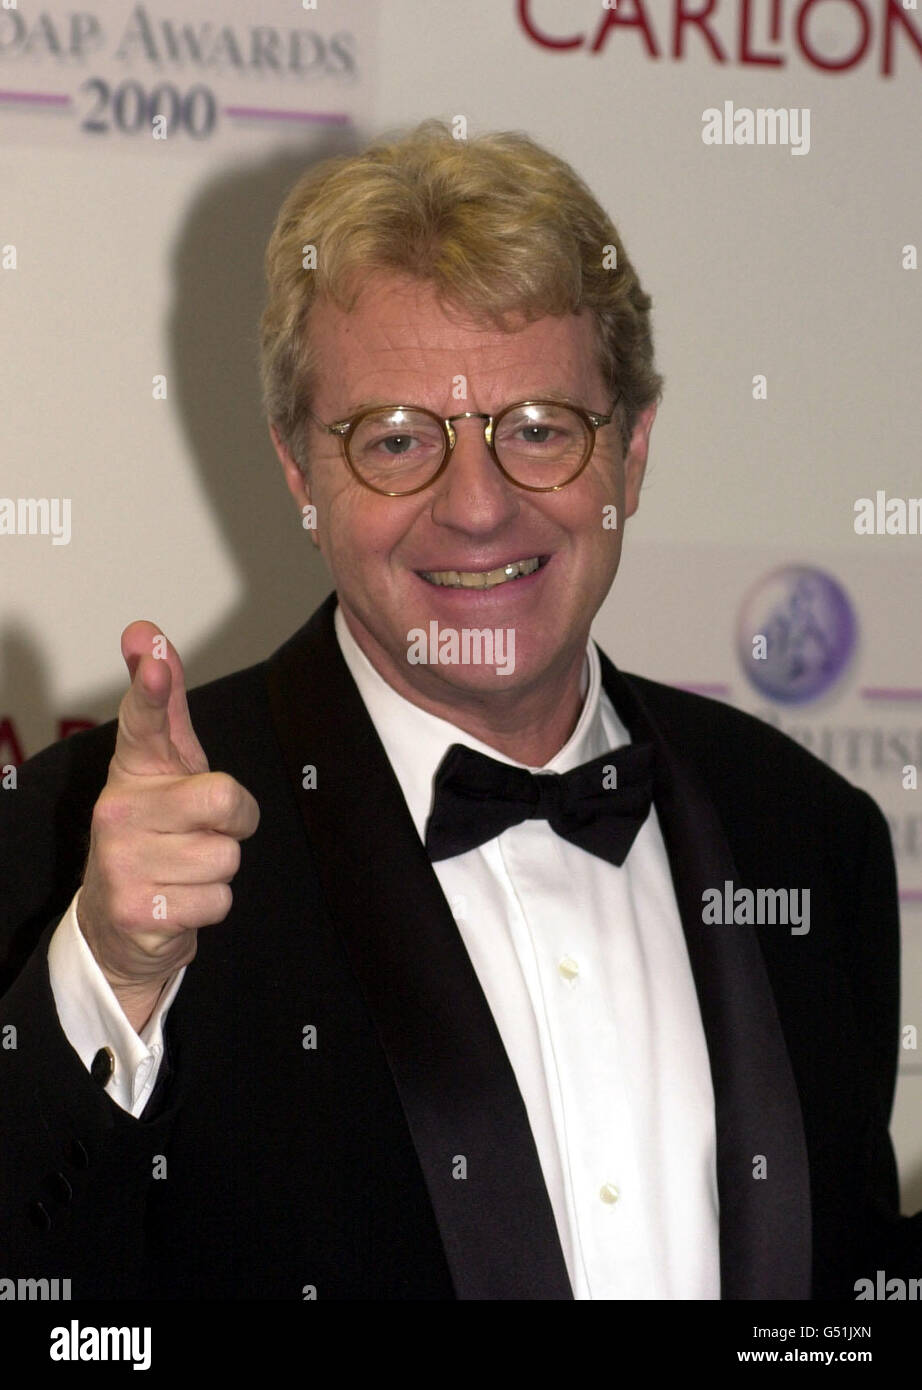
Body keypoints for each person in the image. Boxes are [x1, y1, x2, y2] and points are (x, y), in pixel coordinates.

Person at [1, 120, 918, 1301]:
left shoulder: (805, 831)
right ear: (298, 471)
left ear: (630, 452)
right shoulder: (90, 850)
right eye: (395, 441)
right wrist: (112, 978)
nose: (477, 506)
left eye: (539, 429)